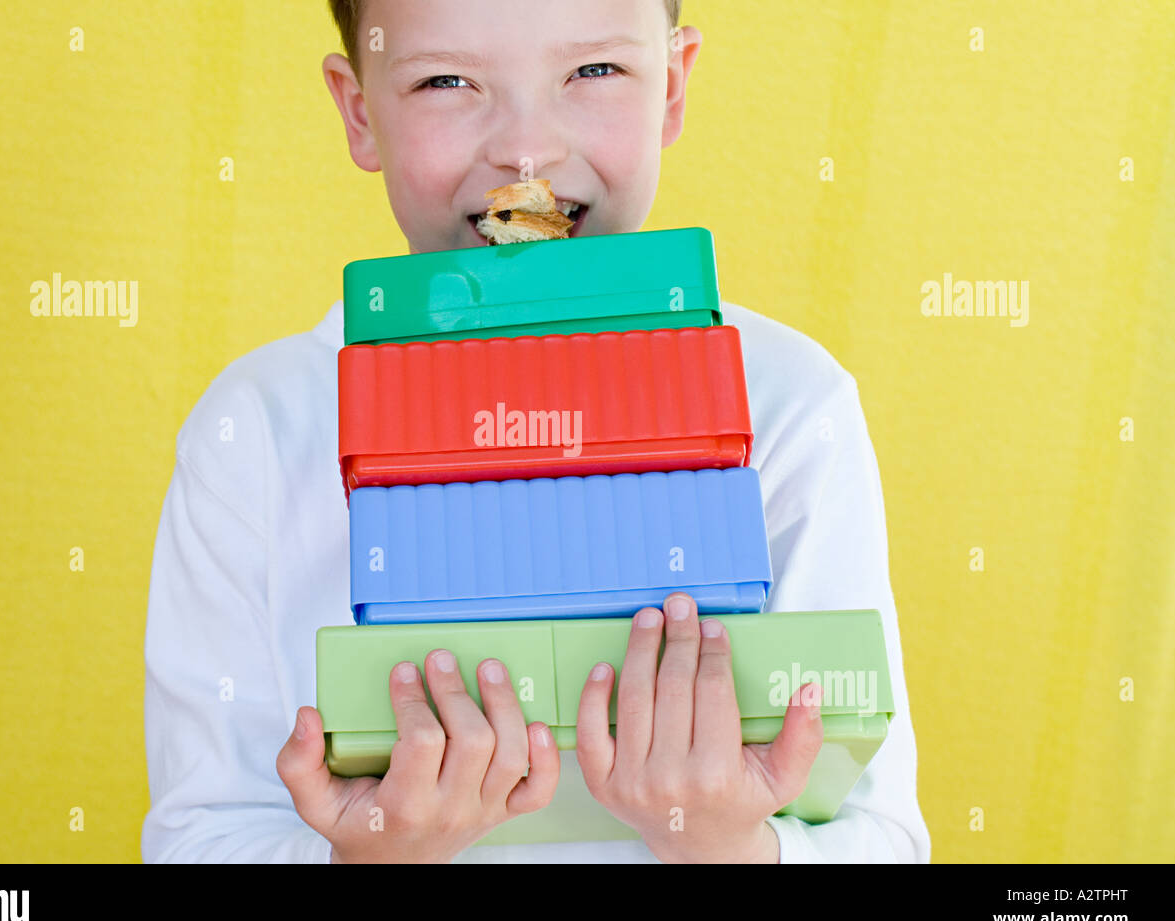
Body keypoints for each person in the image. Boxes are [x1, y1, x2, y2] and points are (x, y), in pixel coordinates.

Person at [141, 0, 931, 863]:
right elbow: (201, 838)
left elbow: (882, 835)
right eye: (447, 81)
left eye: (594, 71)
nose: (526, 153)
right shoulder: (253, 434)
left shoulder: (788, 407)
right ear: (360, 111)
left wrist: (723, 842)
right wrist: (374, 855)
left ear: (670, 85)